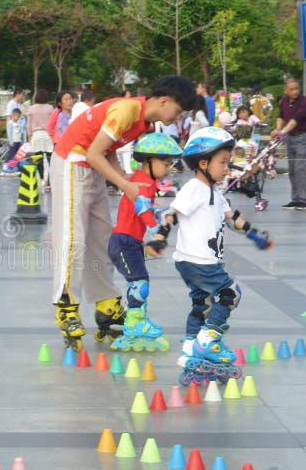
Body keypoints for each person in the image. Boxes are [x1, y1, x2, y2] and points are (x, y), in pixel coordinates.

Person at [50, 75, 196, 352]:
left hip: (92, 169)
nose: (177, 118)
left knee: (103, 237)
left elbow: (109, 151)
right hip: (72, 162)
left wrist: (125, 177)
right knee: (73, 237)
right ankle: (66, 305)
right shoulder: (127, 110)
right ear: (164, 101)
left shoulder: (143, 120)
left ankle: (106, 303)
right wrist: (125, 184)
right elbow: (94, 153)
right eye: (177, 112)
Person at [150, 127, 273, 385]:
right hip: (199, 261)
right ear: (203, 163)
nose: (227, 168)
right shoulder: (194, 188)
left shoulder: (215, 193)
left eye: (228, 163)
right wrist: (160, 239)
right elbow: (171, 213)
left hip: (192, 262)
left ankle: (190, 349)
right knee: (231, 294)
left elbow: (233, 219)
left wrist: (255, 236)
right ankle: (208, 341)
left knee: (201, 304)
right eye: (222, 163)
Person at [107, 133, 182, 352]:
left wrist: (162, 213)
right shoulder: (144, 183)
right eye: (165, 163)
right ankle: (134, 324)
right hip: (124, 241)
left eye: (170, 164)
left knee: (138, 281)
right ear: (148, 161)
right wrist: (154, 228)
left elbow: (144, 208)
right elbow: (141, 207)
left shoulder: (142, 180)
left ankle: (139, 319)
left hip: (128, 241)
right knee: (140, 283)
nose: (168, 168)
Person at [271, 78, 306, 210]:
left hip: (302, 138)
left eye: (296, 88)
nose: (295, 91)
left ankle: (304, 201)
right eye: (291, 89)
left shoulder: (304, 101)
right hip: (290, 138)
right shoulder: (283, 101)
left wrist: (282, 131)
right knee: (292, 169)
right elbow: (281, 116)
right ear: (286, 90)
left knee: (299, 168)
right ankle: (296, 199)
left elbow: (296, 120)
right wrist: (278, 129)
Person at [27, 89, 55, 191]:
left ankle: (42, 179)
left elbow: (29, 124)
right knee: (50, 159)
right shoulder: (50, 108)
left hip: (36, 135)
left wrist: (29, 137)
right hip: (48, 135)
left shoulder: (31, 109)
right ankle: (50, 182)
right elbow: (53, 124)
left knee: (38, 159)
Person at [1, 107, 26, 176]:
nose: (18, 118)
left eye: (19, 116)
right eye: (17, 116)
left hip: (18, 142)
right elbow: (9, 133)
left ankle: (18, 168)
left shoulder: (18, 123)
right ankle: (9, 167)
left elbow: (21, 132)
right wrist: (11, 142)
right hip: (13, 142)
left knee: (18, 156)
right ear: (13, 115)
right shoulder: (10, 123)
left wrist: (22, 141)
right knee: (11, 155)